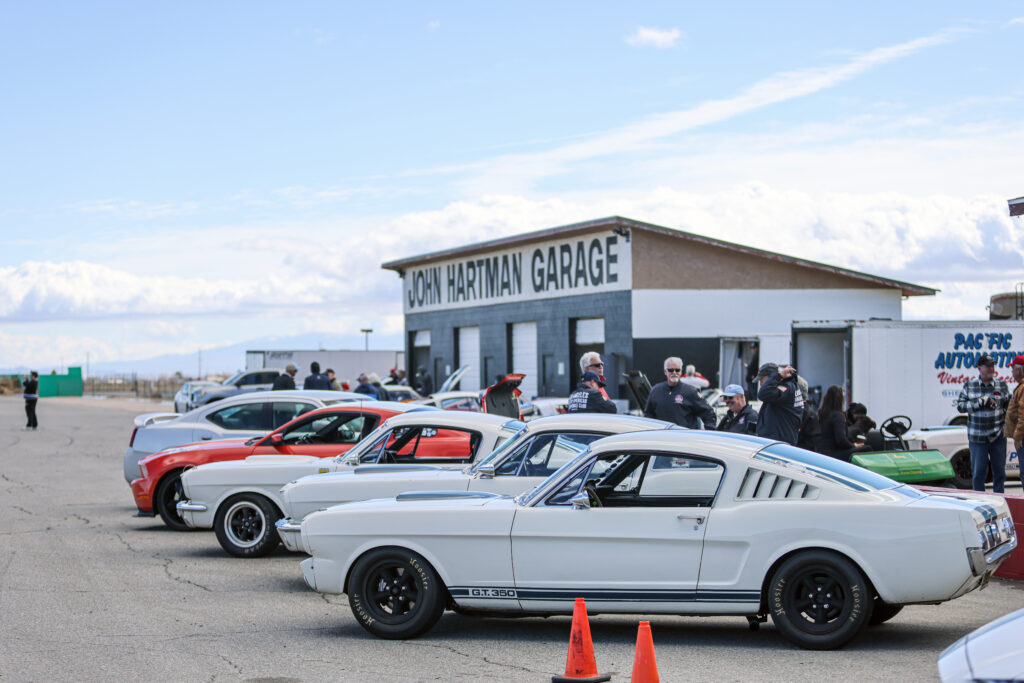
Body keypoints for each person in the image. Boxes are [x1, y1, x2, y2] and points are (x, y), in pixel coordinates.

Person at [957, 354, 1011, 493]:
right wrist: (979, 403)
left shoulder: (1001, 385)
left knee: (999, 473)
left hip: (998, 437)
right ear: (979, 368)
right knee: (978, 473)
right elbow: (960, 407)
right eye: (987, 366)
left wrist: (1006, 426)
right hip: (977, 438)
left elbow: (1009, 408)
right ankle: (980, 500)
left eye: (992, 365)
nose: (991, 368)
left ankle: (999, 499)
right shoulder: (970, 385)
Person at [644, 356, 716, 429]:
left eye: (677, 370)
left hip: (684, 435)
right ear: (665, 372)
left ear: (681, 371)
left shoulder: (691, 391)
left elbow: (708, 412)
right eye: (671, 370)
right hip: (662, 434)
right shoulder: (656, 391)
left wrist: (709, 430)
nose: (674, 372)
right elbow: (648, 415)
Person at [755, 362, 804, 446]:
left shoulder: (786, 387)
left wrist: (777, 376)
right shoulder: (785, 388)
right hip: (777, 442)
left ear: (771, 377)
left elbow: (762, 394)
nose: (761, 384)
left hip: (779, 444)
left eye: (762, 380)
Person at [817, 385, 870, 461]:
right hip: (834, 453)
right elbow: (841, 441)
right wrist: (853, 445)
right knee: (867, 448)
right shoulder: (838, 416)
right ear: (840, 400)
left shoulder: (822, 413)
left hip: (823, 452)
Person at [1005, 355, 1024, 459]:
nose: (1012, 372)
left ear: (1020, 370)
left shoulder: (1023, 388)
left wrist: (1018, 437)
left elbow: (1023, 415)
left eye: (1013, 369)